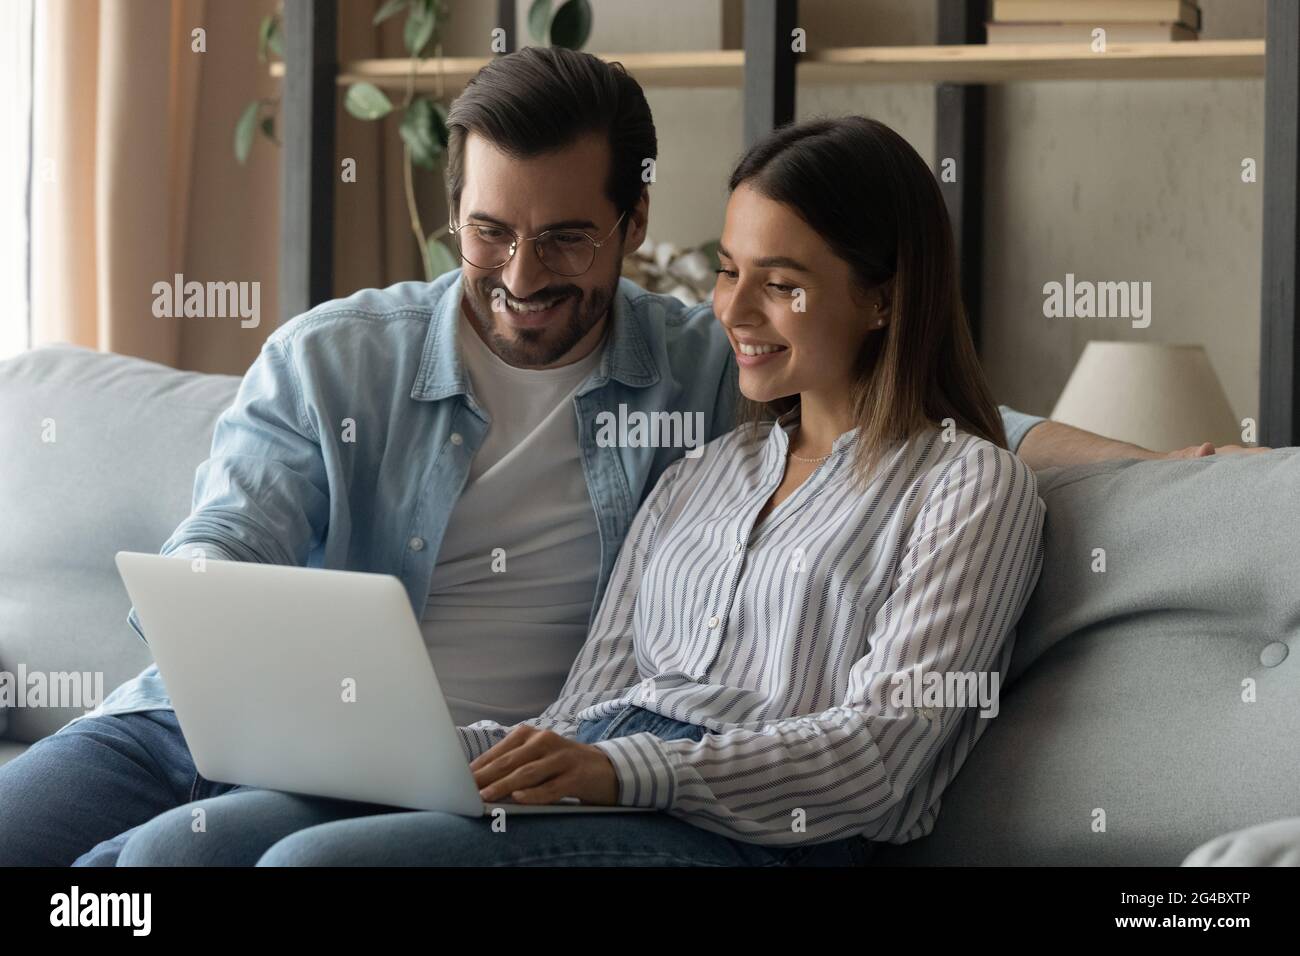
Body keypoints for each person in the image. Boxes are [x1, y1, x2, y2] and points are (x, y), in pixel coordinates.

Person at [0, 47, 1253, 868]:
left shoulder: (727, 392)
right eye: (487, 233)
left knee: (269, 862)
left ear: (629, 221)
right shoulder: (683, 457)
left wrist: (1159, 464)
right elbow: (572, 696)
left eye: (562, 238)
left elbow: (962, 450)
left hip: (679, 803)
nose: (519, 275)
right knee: (141, 862)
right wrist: (465, 747)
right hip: (216, 718)